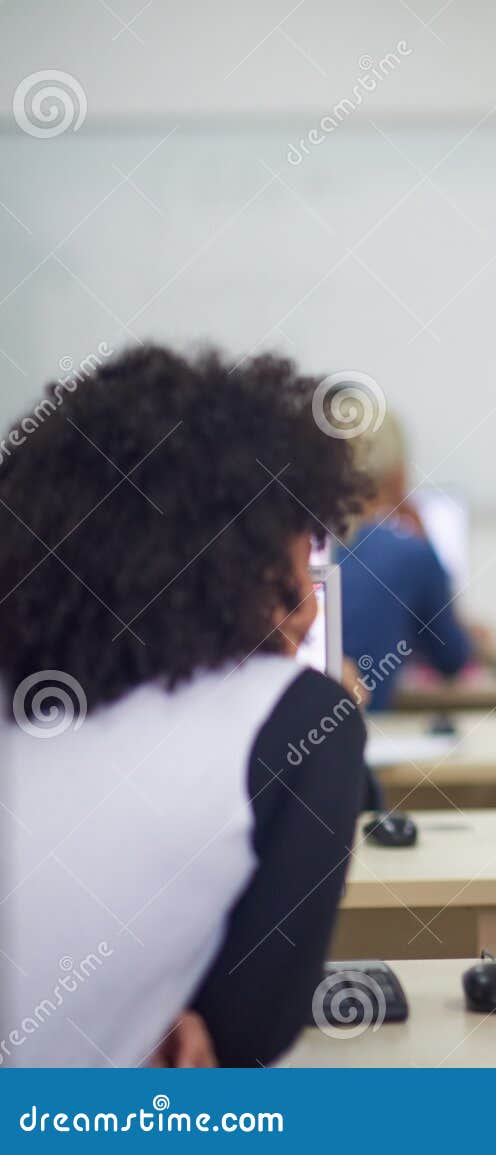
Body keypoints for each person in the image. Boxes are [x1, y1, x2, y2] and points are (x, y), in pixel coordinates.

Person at [0, 346, 371, 1067]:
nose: (306, 598)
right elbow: (240, 1040)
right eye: (300, 547)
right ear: (246, 559)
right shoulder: (296, 718)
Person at [336, 415, 474, 711]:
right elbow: (452, 658)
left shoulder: (304, 545)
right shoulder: (409, 553)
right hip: (364, 735)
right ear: (398, 475)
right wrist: (425, 542)